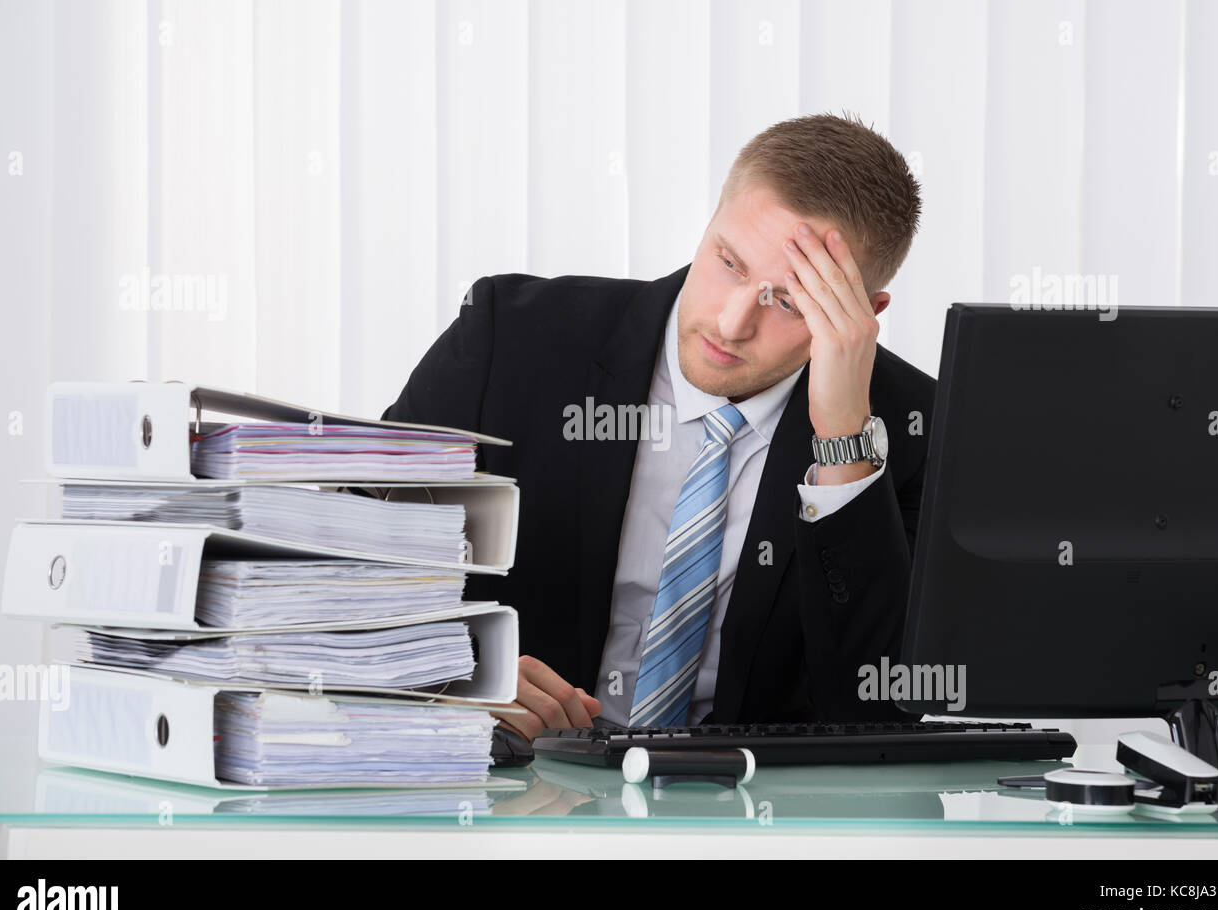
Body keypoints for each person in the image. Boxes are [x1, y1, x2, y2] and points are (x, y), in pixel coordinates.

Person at [383, 112, 935, 740]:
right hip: (515, 798)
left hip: (750, 824)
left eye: (788, 300)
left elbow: (882, 713)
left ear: (865, 312)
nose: (731, 323)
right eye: (729, 262)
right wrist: (456, 671)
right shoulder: (509, 339)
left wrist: (842, 443)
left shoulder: (918, 429)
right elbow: (333, 573)